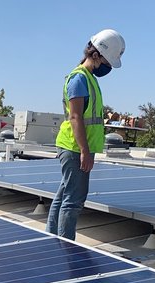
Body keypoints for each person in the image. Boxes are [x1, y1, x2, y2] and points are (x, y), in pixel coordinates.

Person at [47, 29, 125, 240]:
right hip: (74, 148)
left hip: (76, 147)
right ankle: (65, 246)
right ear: (96, 54)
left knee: (64, 194)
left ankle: (52, 239)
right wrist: (85, 151)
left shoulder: (89, 79)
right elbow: (76, 118)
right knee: (73, 201)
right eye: (108, 63)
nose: (108, 68)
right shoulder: (79, 79)